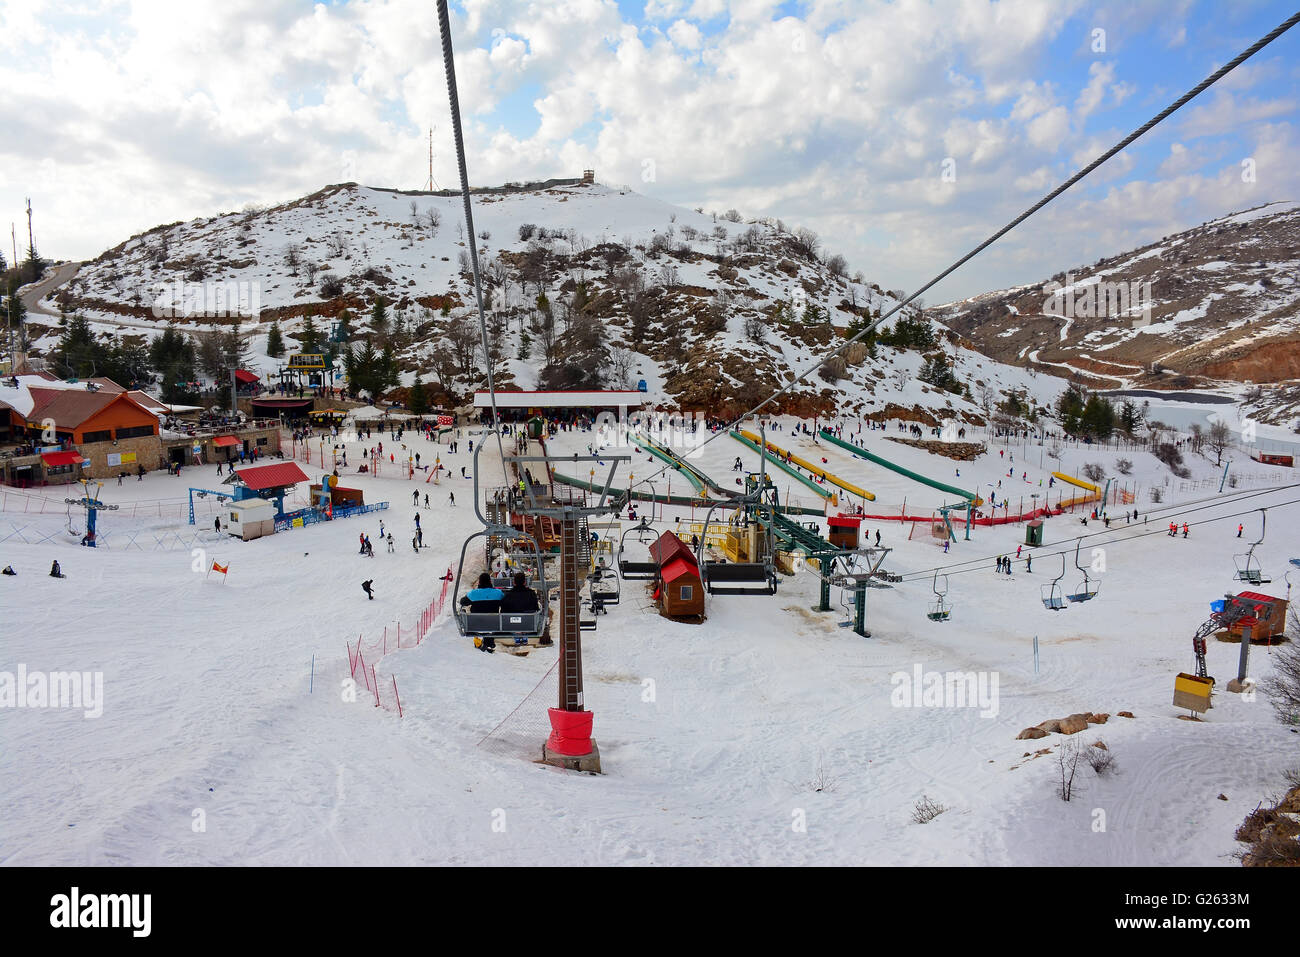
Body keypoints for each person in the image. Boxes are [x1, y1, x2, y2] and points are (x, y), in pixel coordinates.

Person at [460, 573, 504, 653]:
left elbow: (463, 602)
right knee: (490, 620)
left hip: (476, 625)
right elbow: (505, 602)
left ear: (479, 582)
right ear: (490, 581)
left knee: (482, 621)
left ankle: (486, 642)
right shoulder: (498, 593)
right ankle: (489, 641)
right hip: (494, 625)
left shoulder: (473, 593)